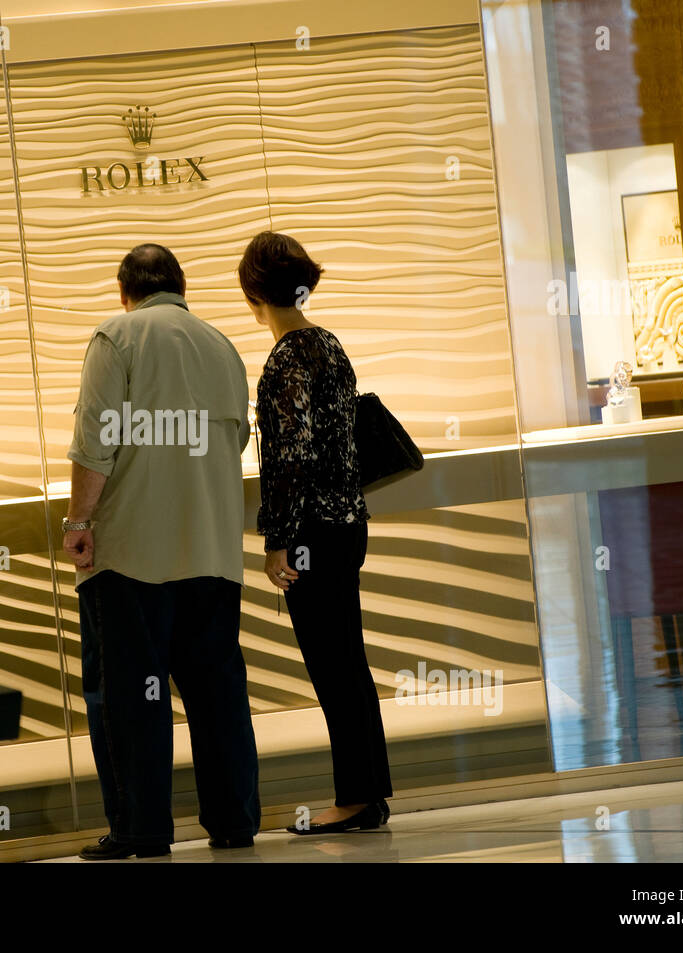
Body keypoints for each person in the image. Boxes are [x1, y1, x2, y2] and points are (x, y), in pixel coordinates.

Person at [63, 243, 261, 860]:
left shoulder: (115, 337)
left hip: (131, 559)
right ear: (181, 286)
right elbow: (237, 440)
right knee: (217, 694)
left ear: (125, 291)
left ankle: (141, 830)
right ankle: (233, 823)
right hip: (211, 554)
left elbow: (94, 444)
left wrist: (79, 520)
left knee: (132, 697)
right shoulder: (221, 344)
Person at [240, 230, 393, 834]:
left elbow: (290, 457)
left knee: (332, 668)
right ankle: (368, 793)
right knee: (348, 664)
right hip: (348, 524)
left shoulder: (285, 360)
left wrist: (276, 538)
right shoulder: (329, 344)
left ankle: (355, 798)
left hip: (310, 536)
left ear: (253, 293)